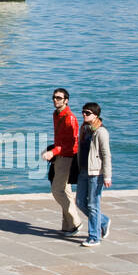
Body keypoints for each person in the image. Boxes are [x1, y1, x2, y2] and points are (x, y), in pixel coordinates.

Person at [40, 88, 82, 236]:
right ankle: (68, 226)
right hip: (60, 155)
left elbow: (71, 143)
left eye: (58, 98)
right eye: (53, 97)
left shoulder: (69, 118)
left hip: (67, 157)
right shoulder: (56, 114)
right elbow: (60, 139)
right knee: (66, 192)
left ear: (66, 100)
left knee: (57, 191)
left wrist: (53, 152)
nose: (55, 100)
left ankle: (76, 221)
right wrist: (52, 150)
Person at [73, 102, 113, 247]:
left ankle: (94, 237)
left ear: (95, 115)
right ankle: (103, 221)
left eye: (87, 113)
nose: (84, 114)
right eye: (83, 112)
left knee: (93, 204)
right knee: (79, 202)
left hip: (96, 173)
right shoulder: (85, 128)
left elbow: (106, 155)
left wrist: (107, 176)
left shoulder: (101, 132)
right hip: (83, 170)